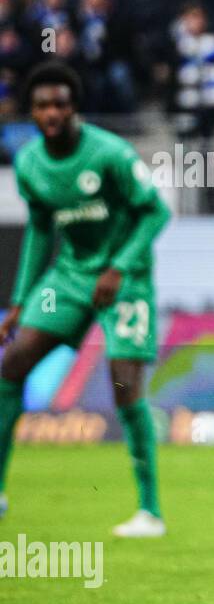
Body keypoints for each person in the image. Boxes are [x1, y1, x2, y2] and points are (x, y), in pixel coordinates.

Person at [0, 62, 170, 535]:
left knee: (124, 386)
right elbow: (39, 229)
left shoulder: (110, 153)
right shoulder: (29, 163)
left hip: (126, 277)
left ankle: (150, 512)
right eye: (42, 106)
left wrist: (119, 267)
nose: (51, 113)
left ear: (73, 107)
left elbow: (155, 213)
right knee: (12, 365)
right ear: (32, 112)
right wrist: (20, 300)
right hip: (71, 276)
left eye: (60, 104)